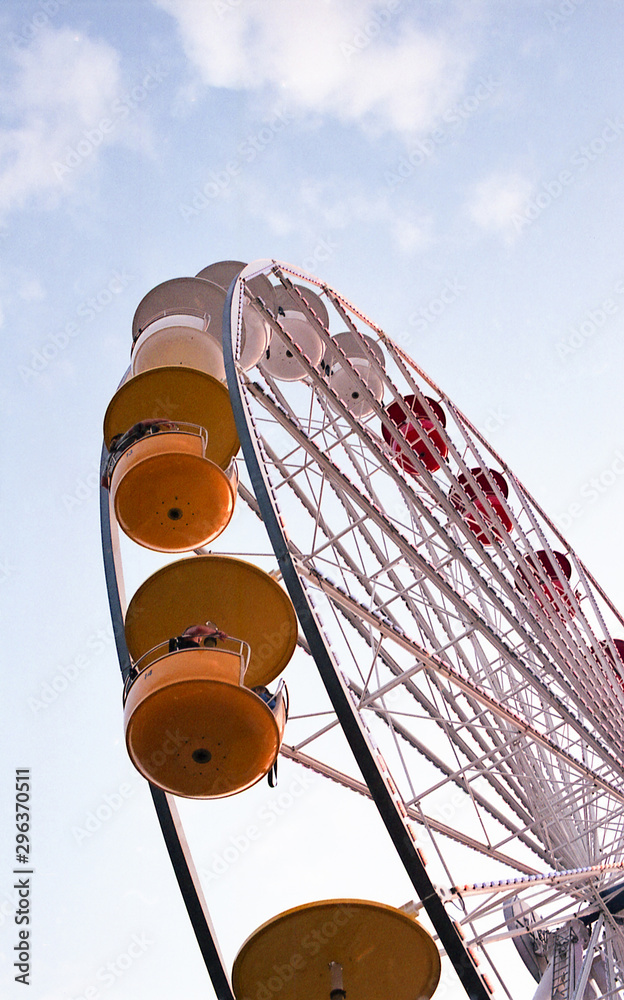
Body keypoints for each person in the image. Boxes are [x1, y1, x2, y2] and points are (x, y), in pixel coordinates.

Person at [103, 418, 179, 485]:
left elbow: (103, 482)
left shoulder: (110, 459)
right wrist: (160, 421)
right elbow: (139, 426)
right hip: (129, 469)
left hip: (120, 479)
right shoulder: (121, 445)